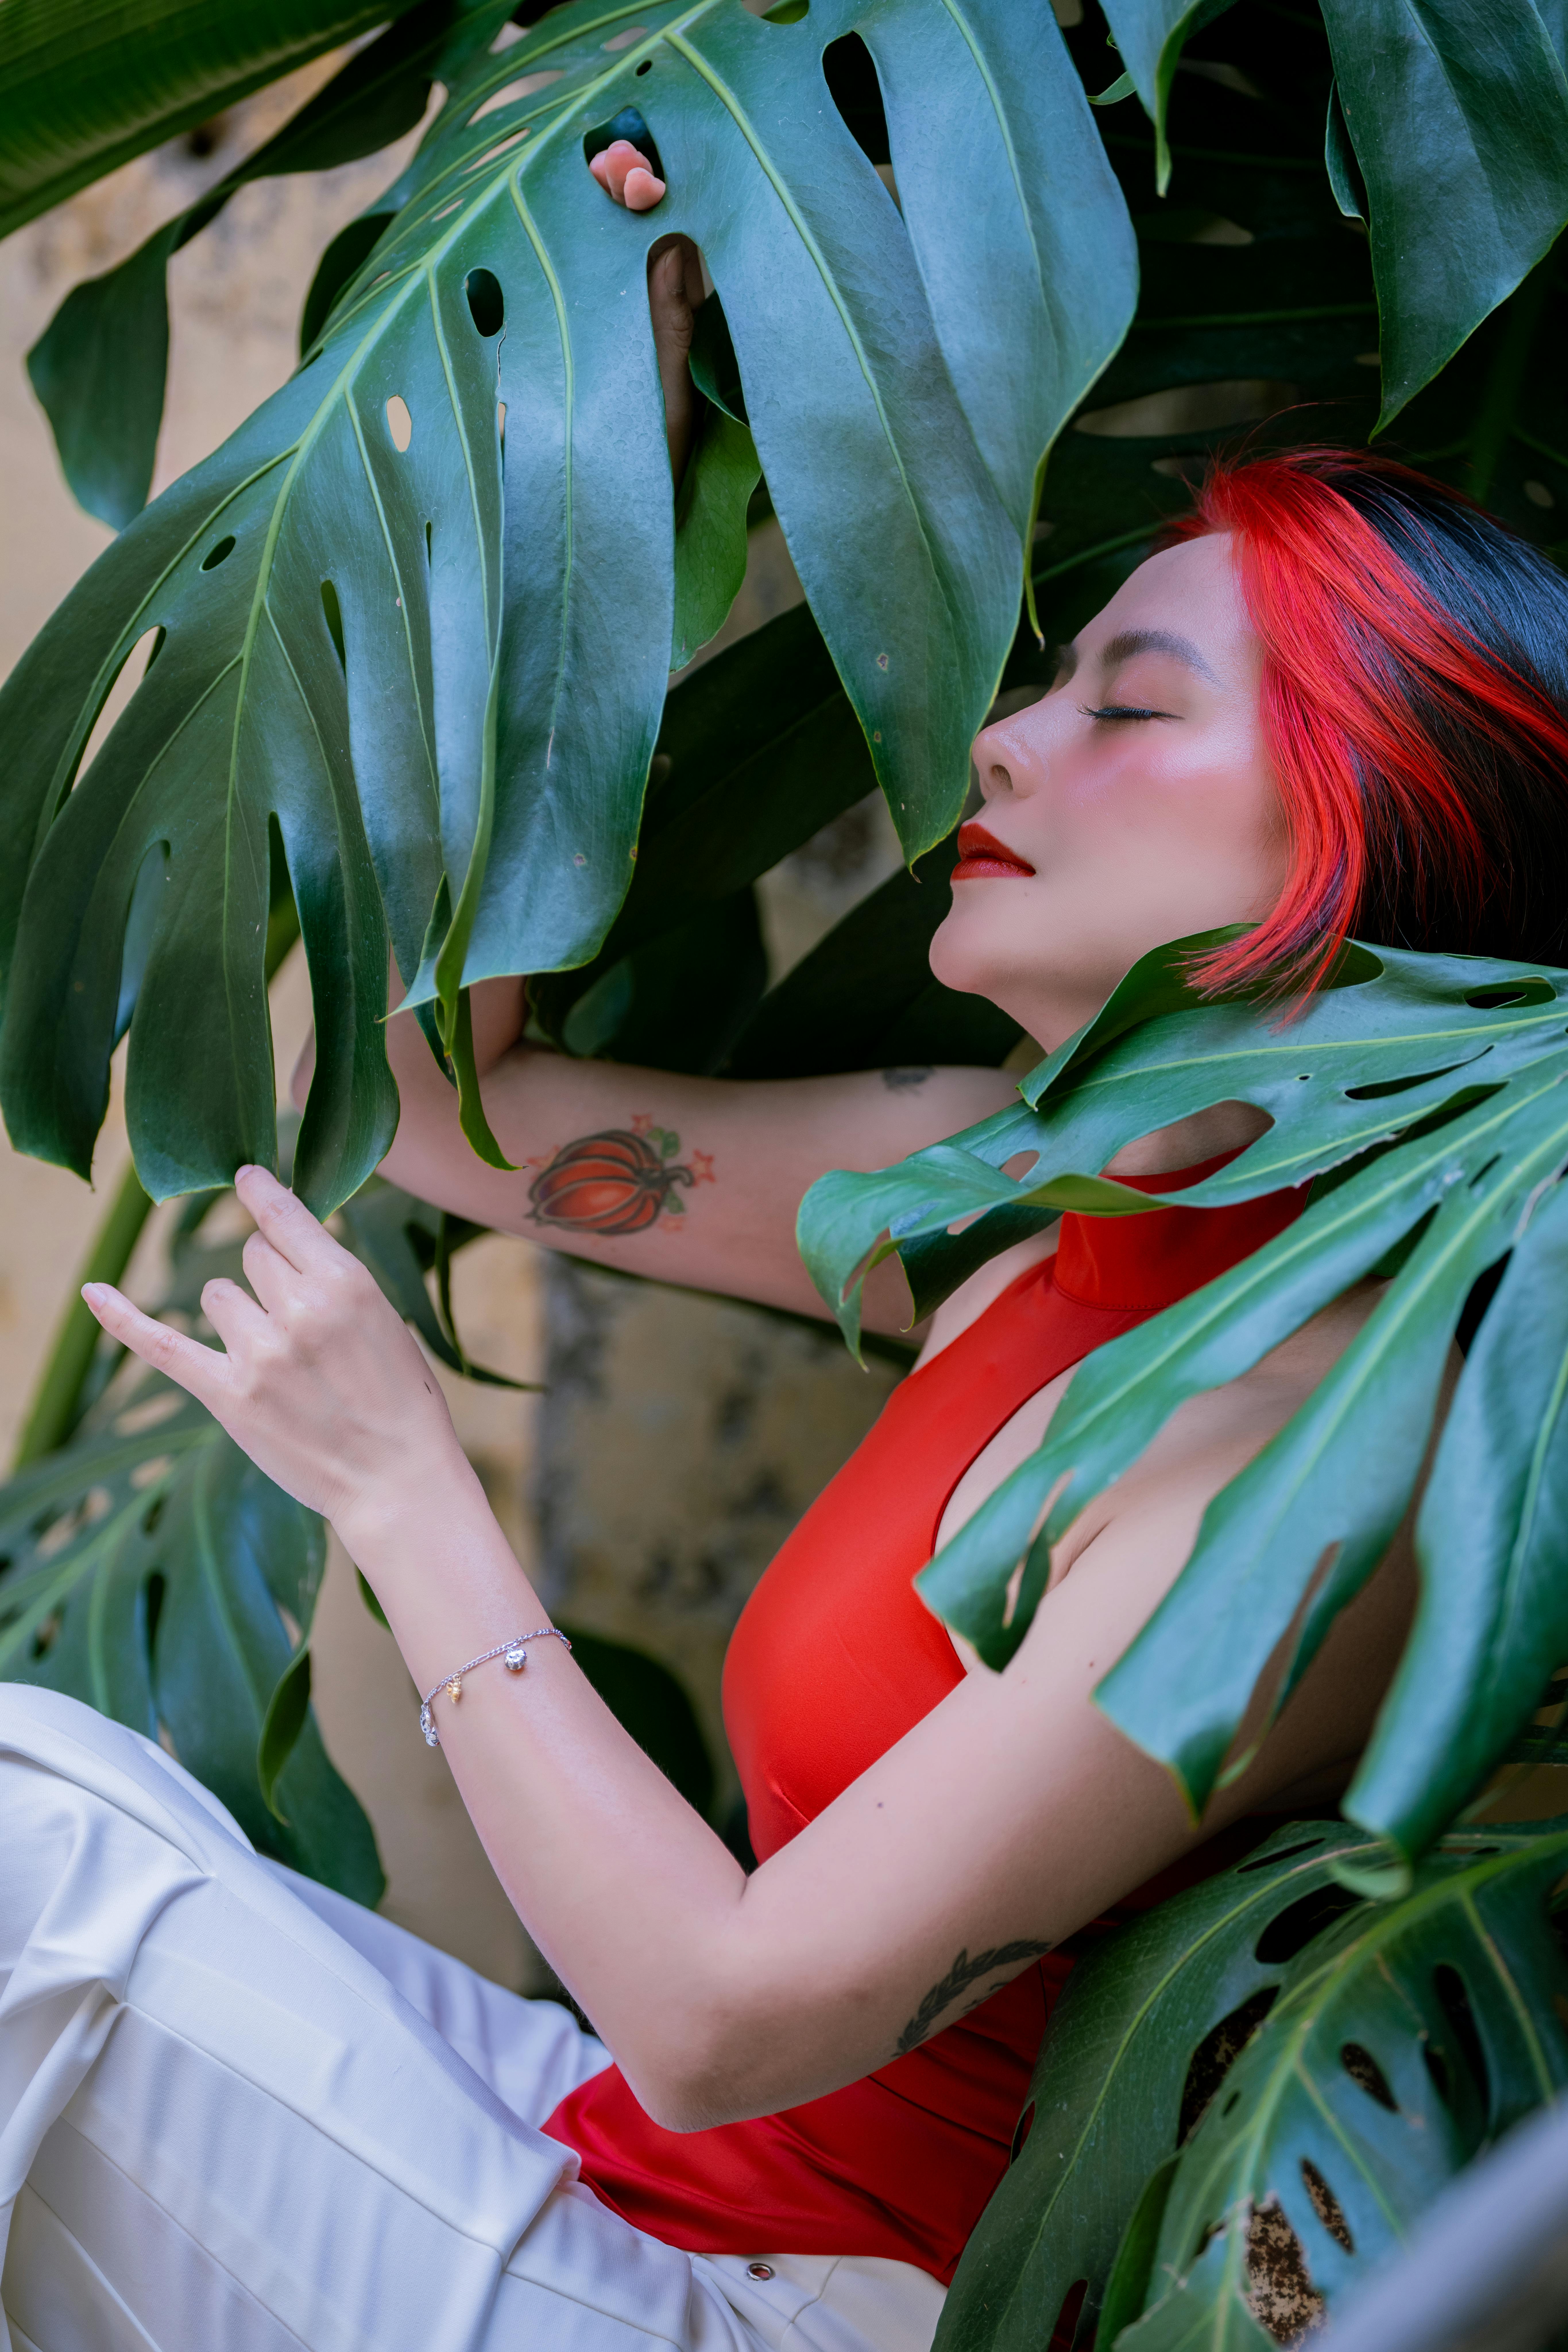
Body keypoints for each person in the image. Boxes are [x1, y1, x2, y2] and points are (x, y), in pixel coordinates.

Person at [5, 139, 1568, 2352]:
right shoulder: (1009, 1200)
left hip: (788, 2314)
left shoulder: (1306, 1452)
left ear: (1360, 841)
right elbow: (456, 1113)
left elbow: (733, 2020)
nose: (1004, 744)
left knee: (21, 1858)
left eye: (1125, 705)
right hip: (625, 2183)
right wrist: (598, 507)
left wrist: (403, 1496)